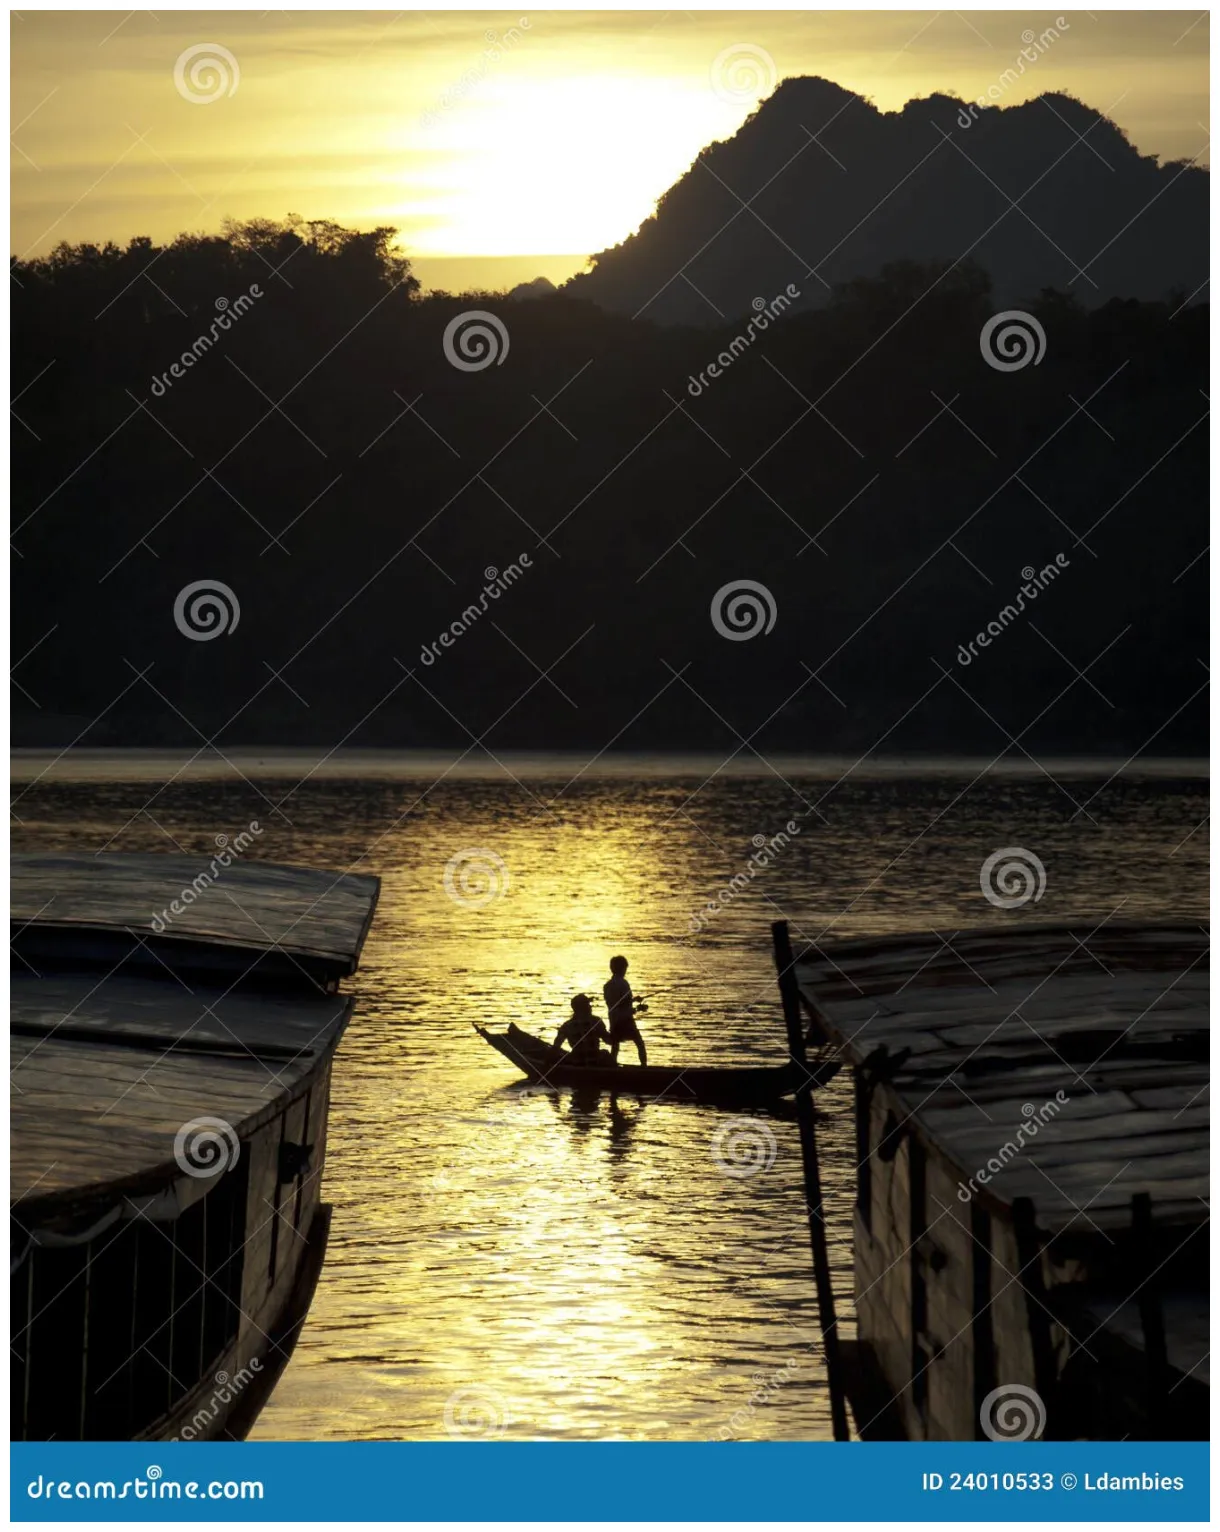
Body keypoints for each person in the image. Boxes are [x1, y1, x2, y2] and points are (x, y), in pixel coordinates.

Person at [604, 954, 647, 1066]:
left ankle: (612, 1067)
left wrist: (634, 1000)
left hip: (614, 1019)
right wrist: (637, 1006)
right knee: (640, 1043)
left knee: (615, 1045)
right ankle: (644, 1067)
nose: (625, 971)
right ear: (622, 968)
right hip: (626, 1020)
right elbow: (623, 1003)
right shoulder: (623, 983)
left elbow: (614, 1003)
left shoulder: (607, 985)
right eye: (625, 968)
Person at [553, 994, 610, 1065]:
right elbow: (609, 1041)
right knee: (605, 1053)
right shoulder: (596, 1021)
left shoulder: (566, 1026)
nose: (590, 1007)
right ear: (583, 1008)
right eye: (587, 1005)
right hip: (596, 1062)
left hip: (577, 1063)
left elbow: (556, 1047)